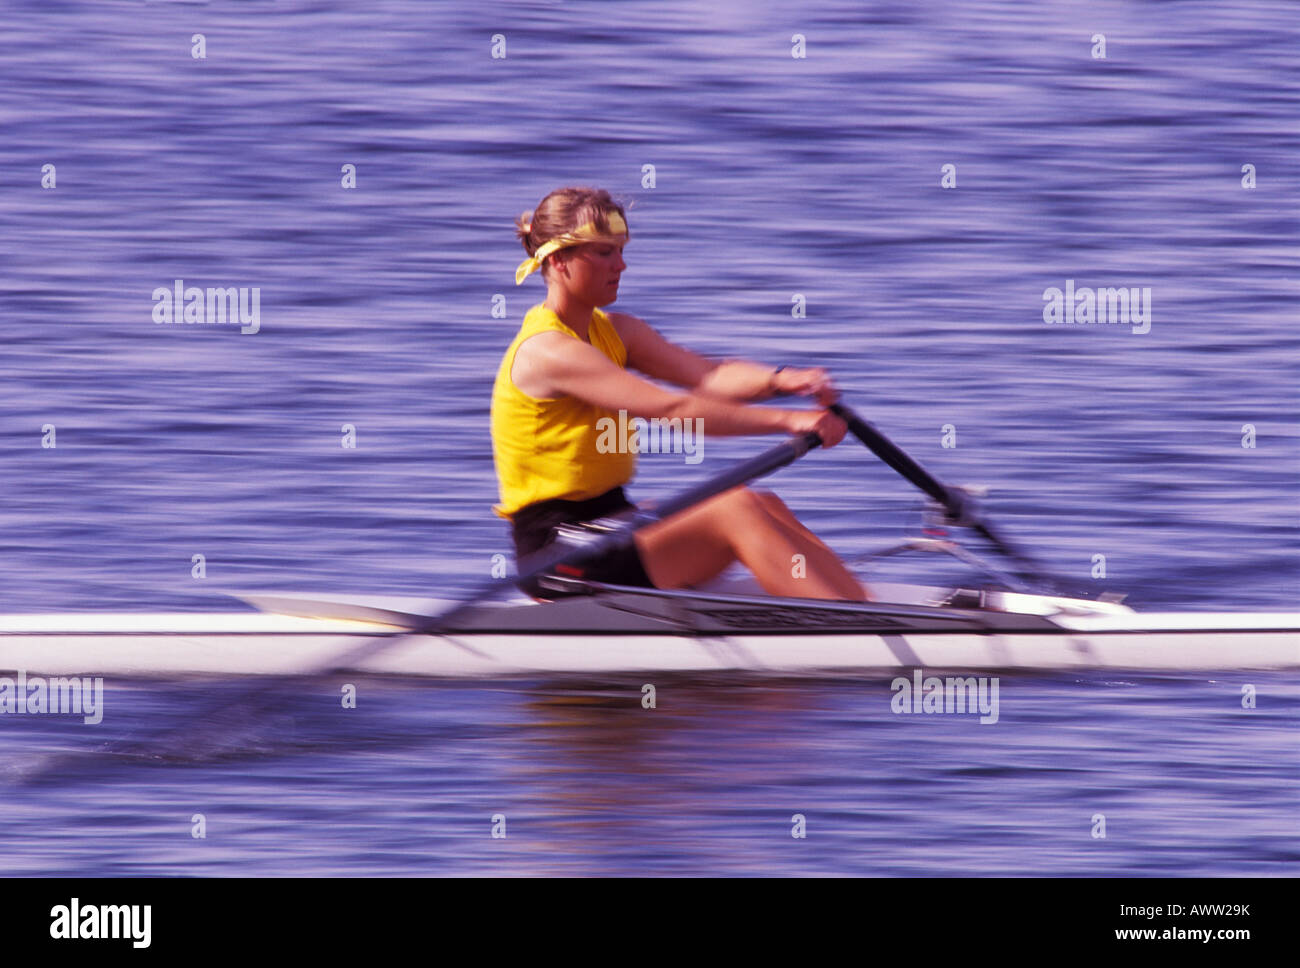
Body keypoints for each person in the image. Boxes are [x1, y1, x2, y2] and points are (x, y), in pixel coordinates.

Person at [491, 186, 869, 602]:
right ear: (558, 260)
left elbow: (710, 376)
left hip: (609, 521)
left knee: (765, 504)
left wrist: (782, 380)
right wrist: (791, 421)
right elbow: (675, 410)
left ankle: (863, 611)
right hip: (556, 554)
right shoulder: (549, 351)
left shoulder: (616, 332)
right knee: (736, 509)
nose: (621, 264)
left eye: (621, 250)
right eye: (603, 253)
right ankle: (847, 631)